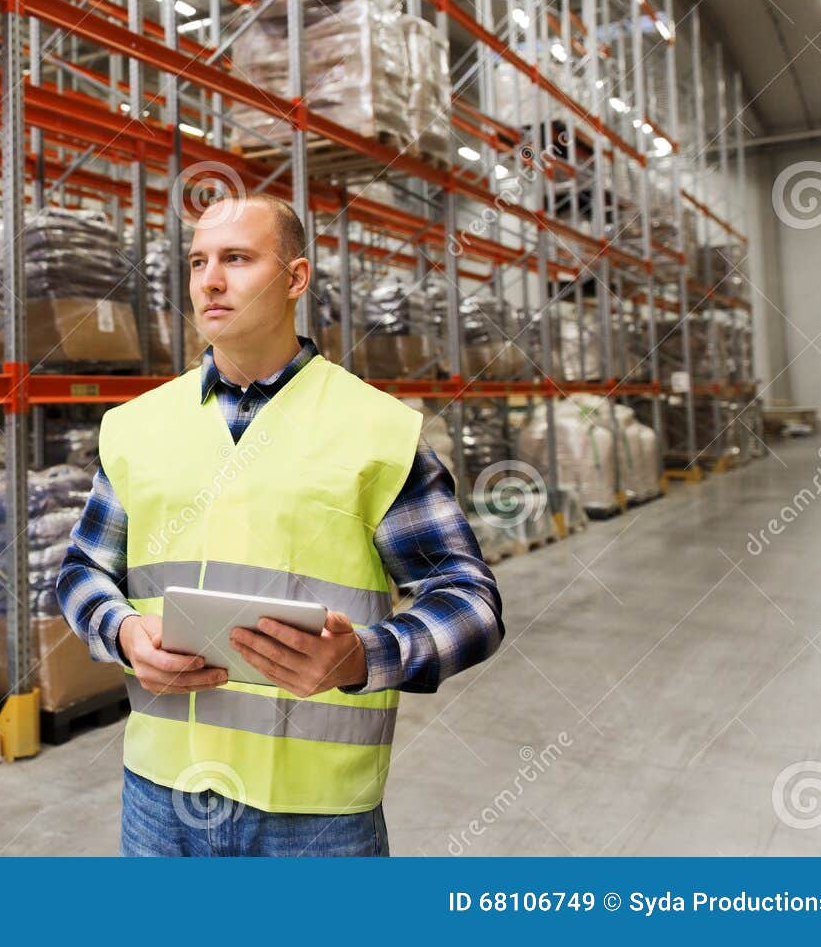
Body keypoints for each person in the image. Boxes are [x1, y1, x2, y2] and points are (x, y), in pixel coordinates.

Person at [57, 194, 504, 857]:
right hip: (161, 796)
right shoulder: (136, 426)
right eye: (198, 260)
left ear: (295, 278)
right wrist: (122, 631)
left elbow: (471, 604)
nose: (209, 279)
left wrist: (362, 655)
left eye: (236, 258)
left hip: (315, 815)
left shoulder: (375, 429)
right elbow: (83, 571)